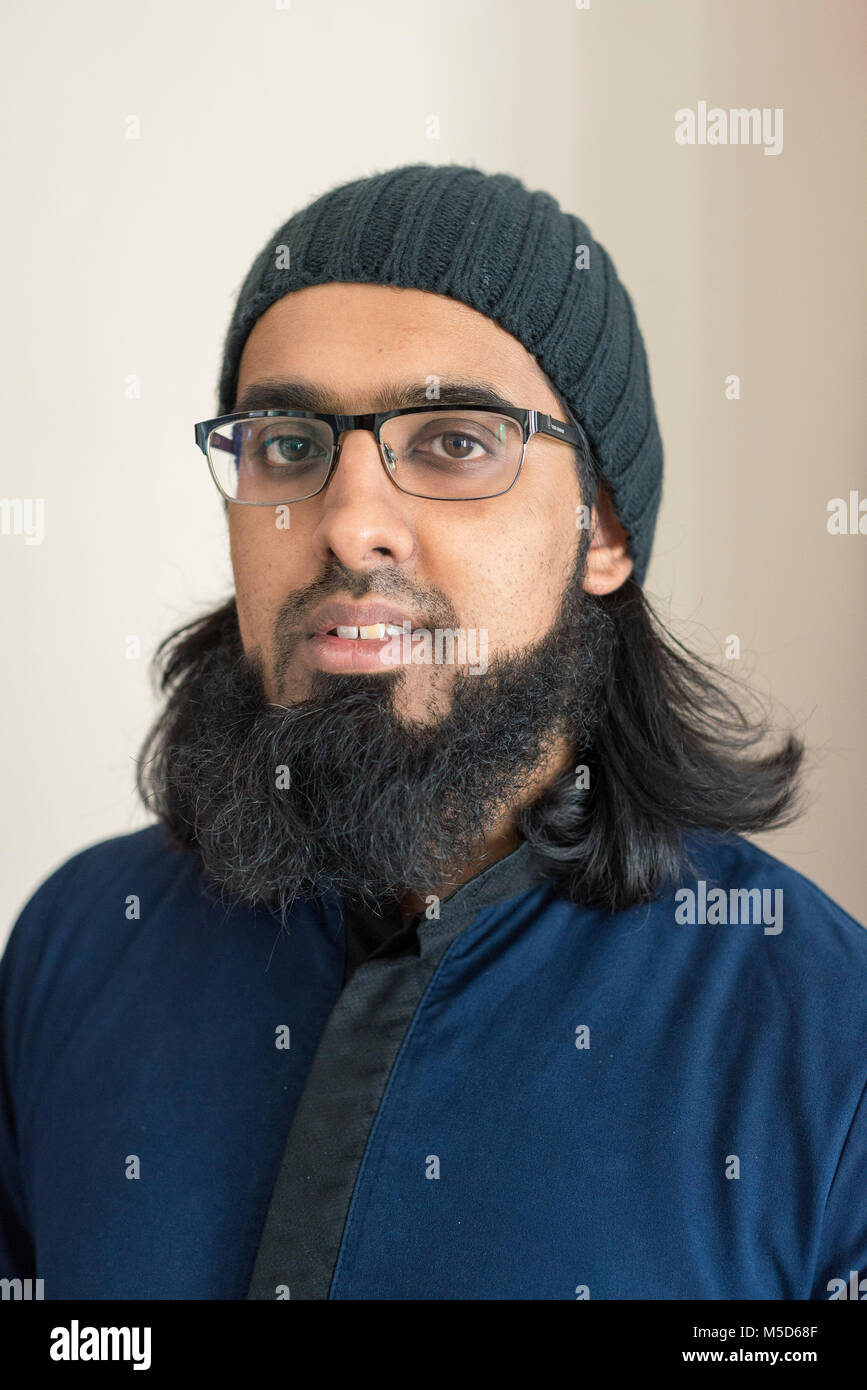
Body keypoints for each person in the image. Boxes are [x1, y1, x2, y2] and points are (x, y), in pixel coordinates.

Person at [1, 164, 865, 1301]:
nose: (352, 525)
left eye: (456, 441)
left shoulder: (824, 1038)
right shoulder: (76, 946)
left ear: (602, 528)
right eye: (291, 446)